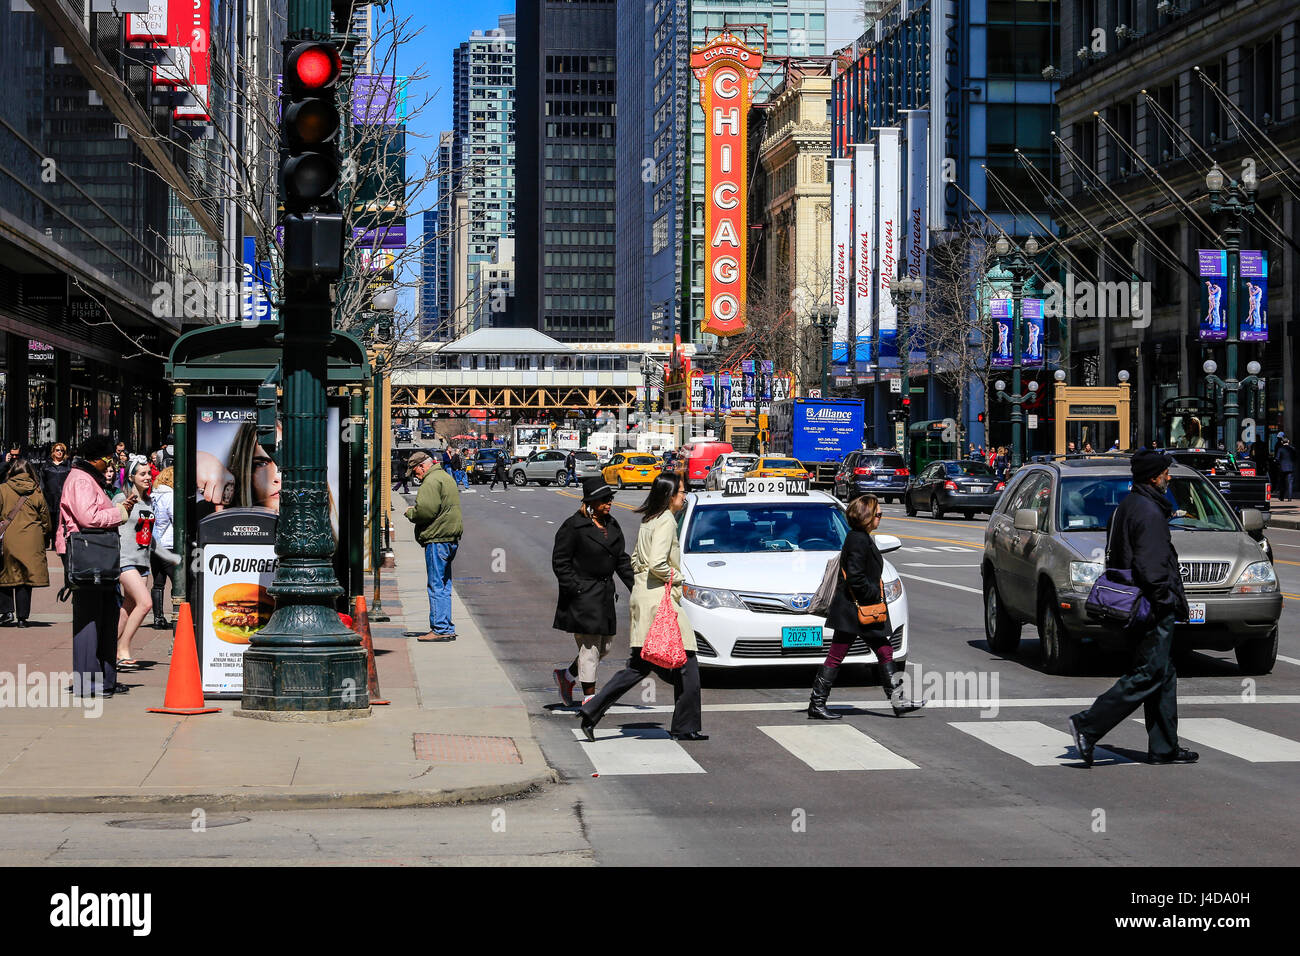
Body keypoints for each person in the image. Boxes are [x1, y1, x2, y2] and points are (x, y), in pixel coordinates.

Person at [1068, 448, 1198, 767]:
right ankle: (1088, 724)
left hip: (1134, 604)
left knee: (1163, 673)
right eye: (1166, 472)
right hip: (1150, 607)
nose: (1169, 477)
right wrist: (1168, 602)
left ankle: (1164, 747)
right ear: (1155, 477)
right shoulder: (1149, 513)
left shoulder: (1128, 506)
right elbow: (1152, 568)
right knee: (1148, 674)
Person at [578, 471, 706, 742]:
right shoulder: (667, 521)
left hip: (644, 598)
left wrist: (645, 578)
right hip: (661, 602)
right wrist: (679, 578)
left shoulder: (650, 520)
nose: (685, 496)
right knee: (688, 664)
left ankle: (592, 710)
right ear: (671, 496)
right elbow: (659, 564)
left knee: (639, 666)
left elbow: (637, 560)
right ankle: (685, 727)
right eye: (682, 492)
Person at [810, 494, 922, 719]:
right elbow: (855, 576)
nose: (880, 517)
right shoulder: (858, 539)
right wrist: (874, 594)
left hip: (858, 609)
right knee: (837, 655)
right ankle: (817, 704)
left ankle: (897, 700)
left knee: (884, 649)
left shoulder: (860, 537)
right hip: (855, 610)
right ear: (867, 517)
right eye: (878, 514)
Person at [58, 435, 133, 697]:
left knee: (106, 617)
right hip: (88, 558)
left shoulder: (89, 479)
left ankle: (105, 678)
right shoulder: (80, 479)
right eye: (109, 459)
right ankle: (90, 682)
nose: (111, 464)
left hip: (99, 557)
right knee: (90, 620)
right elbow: (88, 517)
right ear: (98, 459)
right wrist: (120, 512)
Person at [551, 477, 635, 706]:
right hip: (583, 594)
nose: (609, 503)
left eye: (610, 499)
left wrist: (636, 587)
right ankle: (590, 698)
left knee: (605, 646)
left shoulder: (611, 525)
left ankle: (567, 676)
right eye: (604, 500)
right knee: (589, 647)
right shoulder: (573, 526)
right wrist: (576, 588)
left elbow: (621, 560)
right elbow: (560, 562)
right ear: (591, 502)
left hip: (605, 594)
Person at [404, 451, 463, 641]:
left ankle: (440, 629)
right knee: (445, 584)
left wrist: (411, 513)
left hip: (437, 539)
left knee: (436, 584)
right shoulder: (445, 478)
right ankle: (445, 626)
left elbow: (426, 511)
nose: (415, 475)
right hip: (450, 538)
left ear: (422, 466)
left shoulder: (431, 481)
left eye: (415, 471)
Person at [113, 460, 155, 670]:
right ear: (131, 477)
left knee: (127, 608)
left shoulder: (149, 501)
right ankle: (123, 648)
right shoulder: (121, 498)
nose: (147, 477)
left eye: (148, 473)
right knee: (145, 603)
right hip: (124, 559)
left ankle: (107, 649)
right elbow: (111, 523)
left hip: (142, 561)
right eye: (142, 474)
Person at [0, 458, 52, 627]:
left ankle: (6, 612)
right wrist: (45, 535)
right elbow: (45, 517)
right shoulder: (36, 490)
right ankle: (23, 618)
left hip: (8, 537)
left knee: (6, 575)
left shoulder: (3, 489)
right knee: (25, 579)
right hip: (32, 537)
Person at [149, 466, 179, 629]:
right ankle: (178, 614)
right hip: (169, 545)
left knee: (158, 582)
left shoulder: (154, 495)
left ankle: (158, 618)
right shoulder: (171, 496)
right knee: (178, 581)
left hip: (155, 545)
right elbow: (176, 519)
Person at [40, 442, 71, 549]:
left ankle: (57, 543)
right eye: (57, 450)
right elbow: (42, 482)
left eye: (62, 450)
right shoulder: (46, 465)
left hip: (62, 497)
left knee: (60, 521)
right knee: (49, 521)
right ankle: (47, 541)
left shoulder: (68, 466)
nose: (59, 452)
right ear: (53, 452)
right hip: (49, 498)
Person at [1274, 435, 1296, 500]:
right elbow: (1295, 457)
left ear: (1282, 442)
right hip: (1291, 467)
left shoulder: (1280, 449)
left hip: (1282, 468)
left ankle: (1282, 497)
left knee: (1282, 482)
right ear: (1288, 441)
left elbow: (1277, 458)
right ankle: (1289, 497)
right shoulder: (1292, 448)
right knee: (1290, 483)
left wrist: (1276, 461)